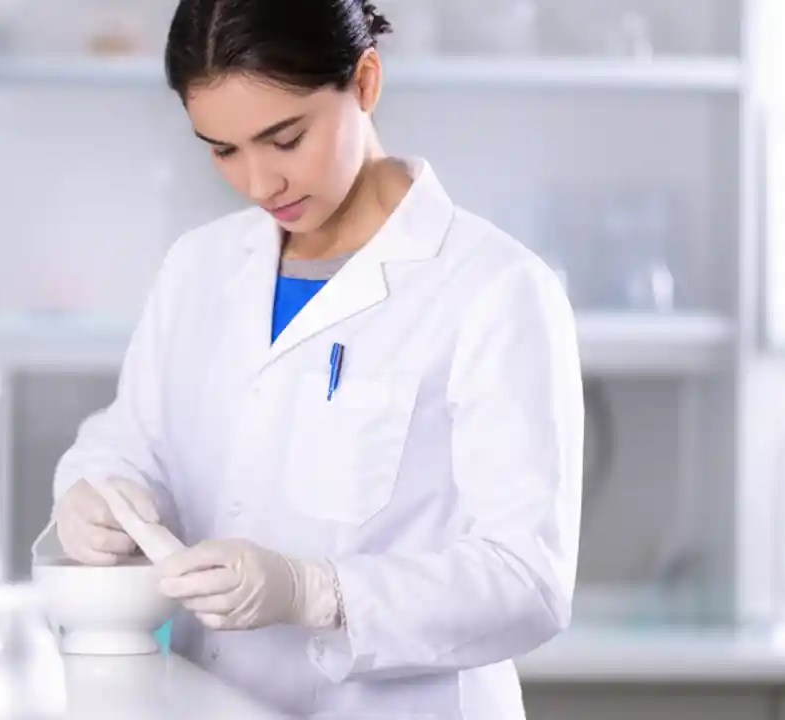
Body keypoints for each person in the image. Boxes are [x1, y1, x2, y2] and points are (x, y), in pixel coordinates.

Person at [47, 0, 584, 717]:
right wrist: (94, 496)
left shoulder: (494, 289)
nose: (259, 184)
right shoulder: (199, 268)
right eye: (223, 149)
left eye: (286, 138)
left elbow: (529, 582)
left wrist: (319, 592)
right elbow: (133, 450)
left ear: (364, 83)